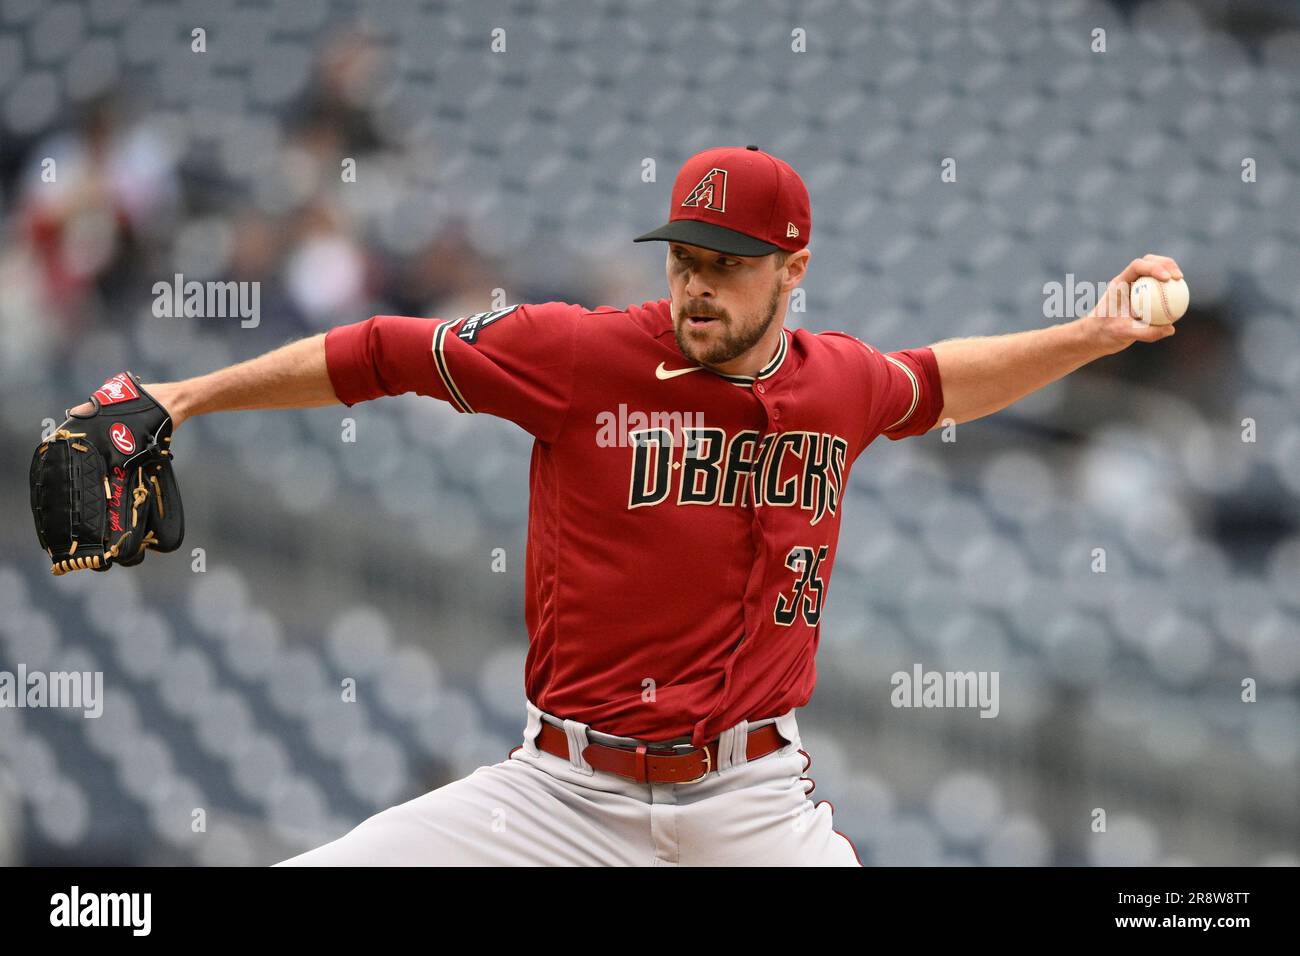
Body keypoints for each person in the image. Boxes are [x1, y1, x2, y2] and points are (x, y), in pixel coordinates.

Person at [69, 145, 1182, 865]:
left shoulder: (835, 382)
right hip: (558, 794)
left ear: (793, 269)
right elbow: (379, 350)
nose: (696, 283)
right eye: (684, 257)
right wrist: (185, 393)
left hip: (751, 801)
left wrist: (1092, 334)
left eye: (728, 264)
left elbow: (941, 382)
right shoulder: (581, 355)